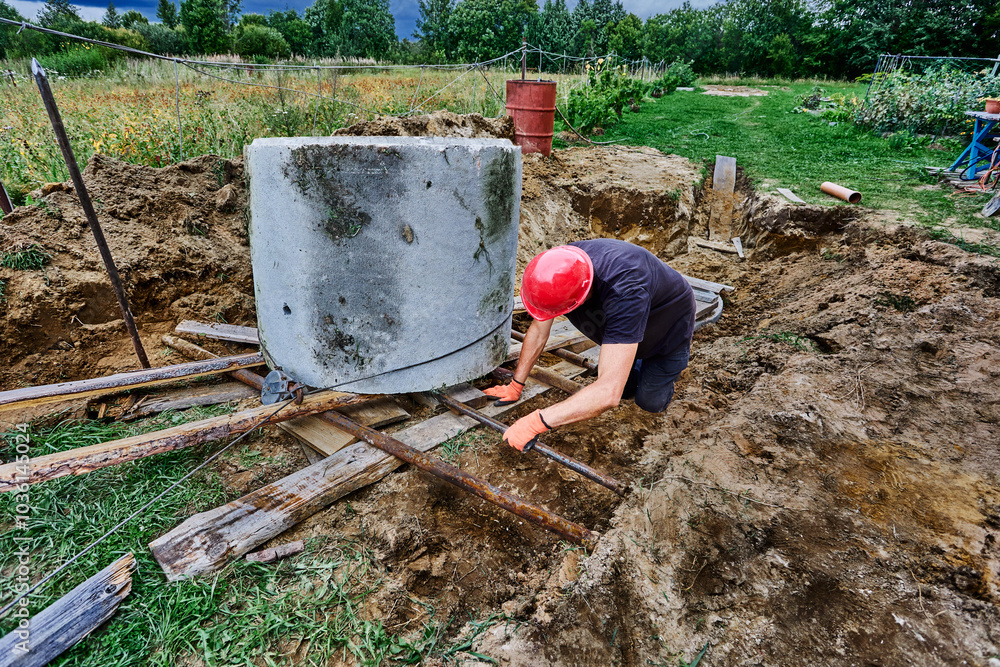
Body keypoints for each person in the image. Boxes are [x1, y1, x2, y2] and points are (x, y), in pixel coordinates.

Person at [485, 239, 696, 452]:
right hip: (628, 322)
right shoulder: (558, 266)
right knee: (626, 388)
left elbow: (607, 394)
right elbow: (539, 331)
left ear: (582, 296)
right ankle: (631, 361)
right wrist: (516, 384)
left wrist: (536, 422)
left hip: (667, 330)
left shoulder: (625, 290)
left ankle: (664, 370)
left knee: (649, 402)